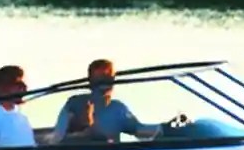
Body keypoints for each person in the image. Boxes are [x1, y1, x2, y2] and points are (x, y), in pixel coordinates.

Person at [47, 59, 184, 144]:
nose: (105, 81)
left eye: (109, 76)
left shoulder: (118, 108)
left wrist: (167, 127)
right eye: (100, 76)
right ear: (90, 80)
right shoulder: (74, 104)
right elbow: (57, 139)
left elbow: (139, 130)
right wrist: (83, 128)